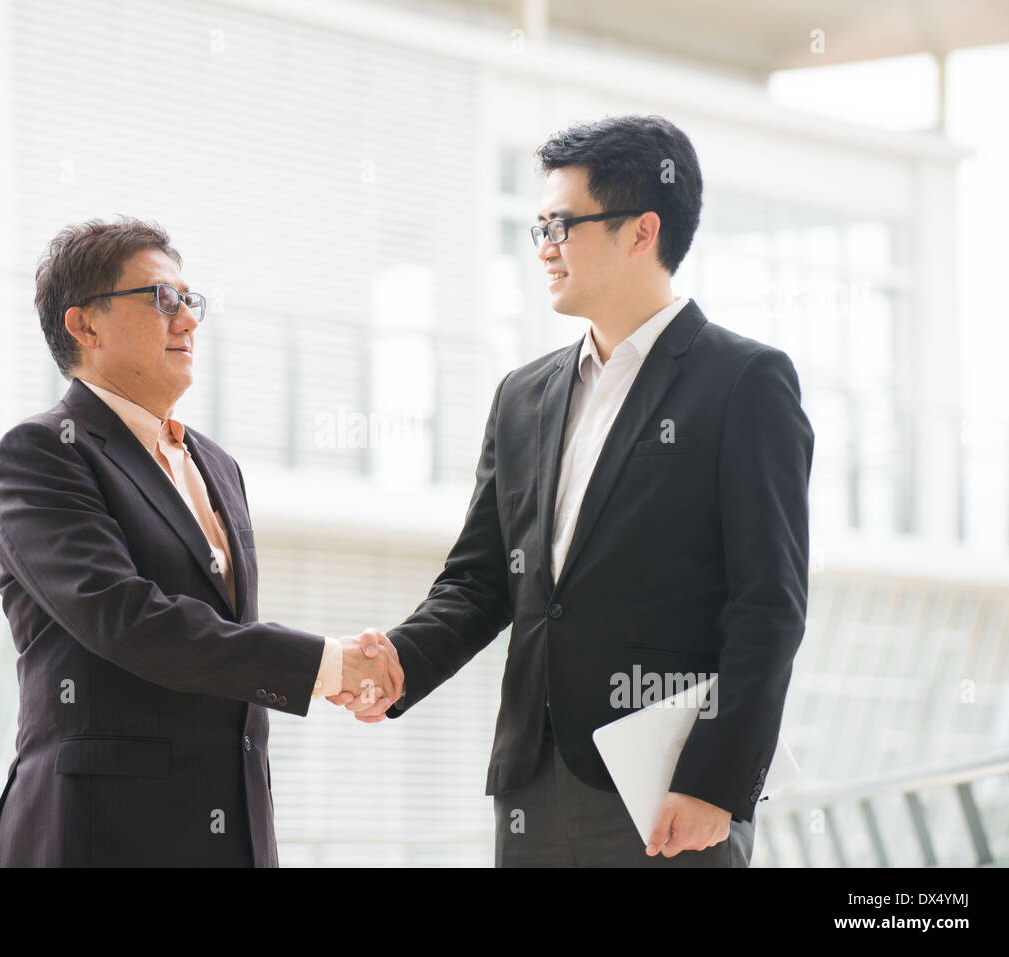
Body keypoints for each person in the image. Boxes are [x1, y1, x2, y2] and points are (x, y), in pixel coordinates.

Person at [329, 115, 814, 867]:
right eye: (538, 226)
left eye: (562, 223)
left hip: (667, 790)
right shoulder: (522, 396)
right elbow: (481, 582)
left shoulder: (744, 383)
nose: (544, 245)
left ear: (641, 230)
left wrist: (718, 780)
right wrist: (398, 658)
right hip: (532, 782)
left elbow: (769, 605)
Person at [0, 217, 402, 866]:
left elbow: (222, 648)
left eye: (188, 300)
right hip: (95, 835)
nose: (187, 321)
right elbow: (127, 618)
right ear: (84, 325)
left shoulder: (216, 465)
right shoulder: (43, 452)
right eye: (160, 299)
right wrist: (328, 665)